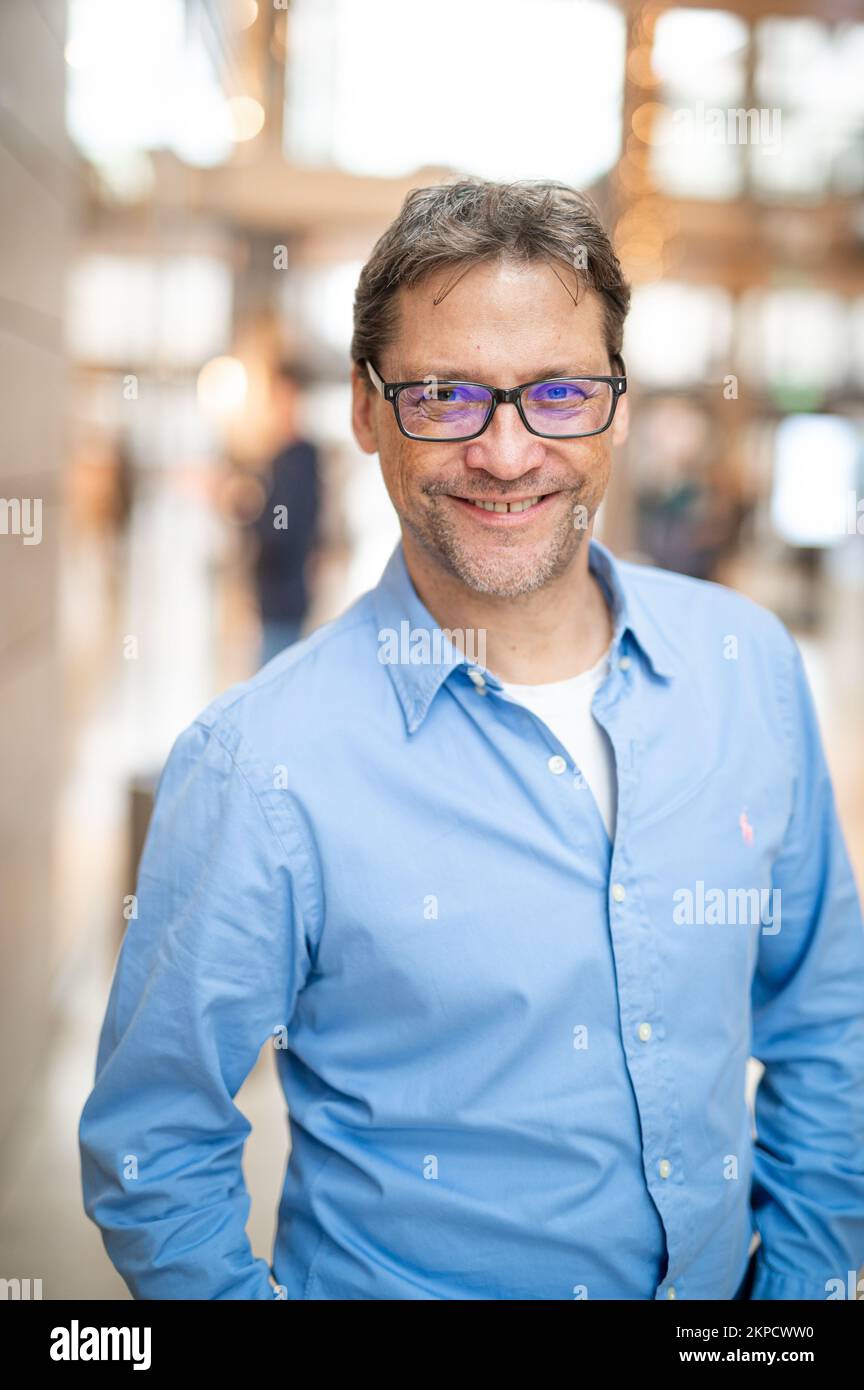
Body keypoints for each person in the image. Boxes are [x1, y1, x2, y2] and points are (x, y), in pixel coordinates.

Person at [79, 179, 864, 1301]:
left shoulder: (752, 671)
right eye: (444, 396)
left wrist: (794, 1300)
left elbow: (829, 1024)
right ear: (365, 408)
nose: (506, 453)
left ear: (620, 405)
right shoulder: (261, 762)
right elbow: (155, 1150)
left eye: (559, 392)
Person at [248, 361, 320, 666]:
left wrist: (250, 517)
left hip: (285, 590)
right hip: (278, 591)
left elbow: (281, 527)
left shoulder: (295, 461)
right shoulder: (284, 458)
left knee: (273, 676)